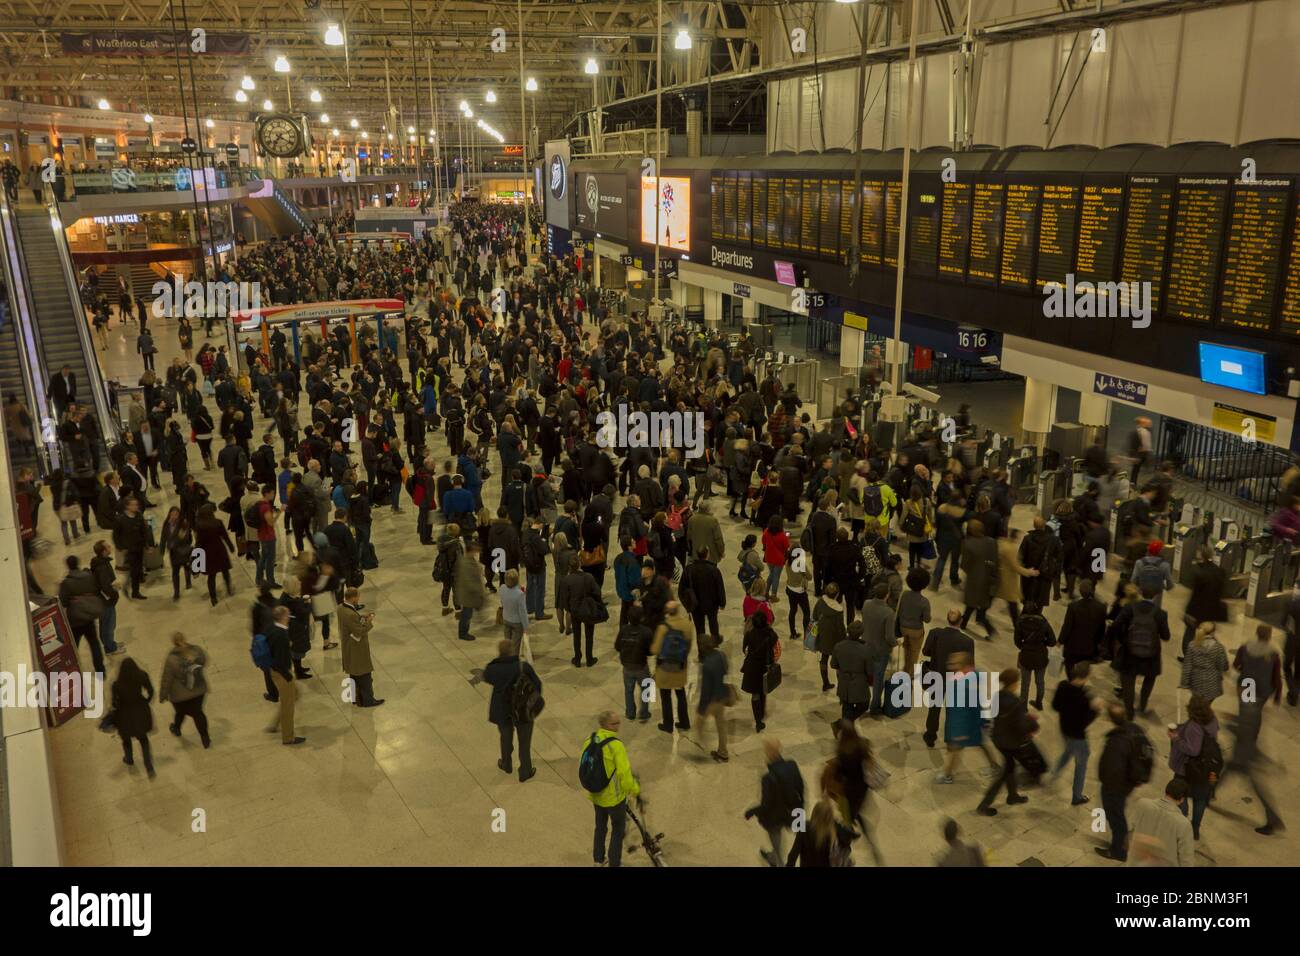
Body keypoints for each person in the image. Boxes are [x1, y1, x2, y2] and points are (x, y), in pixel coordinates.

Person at [1228, 624, 1285, 836]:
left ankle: (1247, 740)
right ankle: (1249, 737)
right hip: (1261, 691)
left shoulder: (1245, 647)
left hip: (1247, 686)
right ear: (1269, 636)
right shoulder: (1273, 654)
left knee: (1248, 712)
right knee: (1253, 714)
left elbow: (1236, 666)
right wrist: (1277, 696)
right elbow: (1277, 678)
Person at [583, 711, 640, 867]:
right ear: (604, 724)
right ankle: (614, 863)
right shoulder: (616, 745)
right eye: (613, 724)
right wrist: (635, 790)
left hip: (596, 794)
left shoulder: (590, 739)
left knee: (600, 827)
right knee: (618, 830)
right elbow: (625, 775)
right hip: (614, 798)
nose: (617, 726)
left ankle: (598, 860)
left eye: (618, 722)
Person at [976, 668, 1034, 816]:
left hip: (998, 738)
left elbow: (994, 715)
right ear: (1014, 683)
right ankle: (984, 804)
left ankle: (1013, 795)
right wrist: (1031, 724)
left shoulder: (997, 696)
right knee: (1005, 772)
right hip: (1010, 742)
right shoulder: (1016, 702)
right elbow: (1020, 727)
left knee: (1010, 766)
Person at [484, 638, 542, 782]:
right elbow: (538, 685)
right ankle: (525, 771)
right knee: (524, 742)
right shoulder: (523, 667)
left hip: (502, 711)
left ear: (500, 652)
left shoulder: (492, 669)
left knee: (505, 738)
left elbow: (486, 677)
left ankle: (506, 763)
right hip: (522, 711)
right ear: (512, 651)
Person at [1095, 703, 1147, 861]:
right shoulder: (1136, 729)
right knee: (1118, 813)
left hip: (1115, 786)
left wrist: (1106, 781)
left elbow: (1113, 768)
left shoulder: (1116, 741)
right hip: (1129, 782)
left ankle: (1118, 851)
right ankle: (1121, 844)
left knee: (1115, 816)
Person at [1110, 586, 1170, 719]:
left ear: (1141, 592)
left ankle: (1129, 712)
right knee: (1149, 679)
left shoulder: (1130, 608)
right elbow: (1166, 637)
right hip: (1151, 654)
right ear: (1155, 596)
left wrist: (1123, 639)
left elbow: (1115, 625)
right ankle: (1142, 706)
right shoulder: (1160, 613)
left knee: (1128, 680)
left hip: (1130, 652)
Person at [936, 653, 998, 783]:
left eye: (954, 663)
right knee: (980, 743)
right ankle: (995, 766)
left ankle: (947, 775)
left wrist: (959, 730)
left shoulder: (966, 683)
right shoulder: (968, 677)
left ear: (964, 666)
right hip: (972, 721)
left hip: (967, 724)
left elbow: (968, 707)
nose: (950, 665)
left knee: (956, 748)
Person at [745, 737, 805, 866]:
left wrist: (751, 811)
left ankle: (777, 861)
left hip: (775, 817)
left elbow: (766, 805)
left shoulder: (767, 778)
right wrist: (800, 812)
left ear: (769, 753)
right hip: (792, 812)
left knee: (776, 841)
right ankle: (773, 857)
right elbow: (801, 789)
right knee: (781, 841)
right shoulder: (792, 765)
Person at [1168, 696, 1220, 840]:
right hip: (1206, 767)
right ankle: (1195, 829)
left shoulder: (1194, 726)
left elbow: (1193, 750)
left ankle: (1183, 825)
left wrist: (1176, 738)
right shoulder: (1213, 720)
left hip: (1188, 769)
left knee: (1180, 795)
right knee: (1200, 799)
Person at [922, 609, 975, 749]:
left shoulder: (935, 633)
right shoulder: (967, 641)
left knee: (934, 708)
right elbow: (970, 665)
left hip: (937, 675)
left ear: (947, 619)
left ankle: (930, 736)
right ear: (961, 621)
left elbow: (925, 651)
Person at [1051, 662, 1099, 805]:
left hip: (1064, 729)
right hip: (1077, 736)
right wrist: (1095, 710)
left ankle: (1053, 774)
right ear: (1086, 676)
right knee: (1081, 764)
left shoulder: (1062, 686)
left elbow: (1055, 706)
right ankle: (1077, 796)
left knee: (1068, 750)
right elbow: (1084, 723)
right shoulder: (1084, 698)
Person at [1126, 777, 1195, 867]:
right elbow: (1186, 859)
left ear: (1166, 790)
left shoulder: (1142, 804)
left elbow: (1129, 829)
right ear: (1182, 799)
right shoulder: (1183, 824)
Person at [158, 631, 210, 748]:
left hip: (180, 695)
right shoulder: (196, 650)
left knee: (180, 712)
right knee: (198, 713)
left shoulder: (171, 659)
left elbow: (167, 679)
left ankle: (176, 728)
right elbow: (204, 662)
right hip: (198, 690)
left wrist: (163, 695)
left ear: (174, 642)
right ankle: (205, 738)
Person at [650, 600, 694, 733]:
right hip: (680, 667)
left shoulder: (663, 627)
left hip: (664, 669)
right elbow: (689, 645)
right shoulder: (687, 625)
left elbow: (655, 649)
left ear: (667, 612)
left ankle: (668, 724)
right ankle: (684, 722)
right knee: (681, 694)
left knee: (666, 697)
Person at [265, 606, 305, 745]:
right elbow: (279, 661)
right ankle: (288, 737)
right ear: (282, 617)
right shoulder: (280, 635)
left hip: (276, 672)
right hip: (282, 674)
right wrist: (288, 677)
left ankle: (275, 725)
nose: (289, 617)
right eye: (287, 615)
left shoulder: (272, 628)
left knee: (294, 695)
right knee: (288, 705)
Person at [111, 657, 156, 779]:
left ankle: (129, 758)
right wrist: (146, 701)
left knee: (126, 740)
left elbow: (115, 704)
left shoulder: (117, 685)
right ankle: (149, 765)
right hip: (140, 711)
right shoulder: (142, 676)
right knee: (143, 739)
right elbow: (151, 691)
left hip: (125, 715)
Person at [339, 587, 383, 707]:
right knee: (364, 675)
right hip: (356, 649)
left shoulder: (341, 608)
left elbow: (351, 624)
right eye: (358, 597)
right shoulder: (350, 615)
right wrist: (369, 621)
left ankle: (354, 698)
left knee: (353, 674)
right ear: (353, 598)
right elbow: (359, 631)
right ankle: (368, 700)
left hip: (348, 646)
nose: (358, 599)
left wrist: (361, 618)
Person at [785, 798, 856, 867]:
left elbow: (793, 855)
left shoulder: (804, 828)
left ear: (814, 812)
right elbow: (846, 844)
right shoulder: (833, 831)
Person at [859, 582, 896, 713]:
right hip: (880, 650)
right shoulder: (889, 612)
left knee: (864, 675)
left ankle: (861, 702)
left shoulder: (866, 603)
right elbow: (889, 637)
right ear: (887, 595)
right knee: (878, 678)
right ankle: (875, 706)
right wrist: (896, 643)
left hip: (866, 644)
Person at [559, 555, 603, 667]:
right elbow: (597, 592)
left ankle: (577, 658)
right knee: (589, 635)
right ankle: (589, 658)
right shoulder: (589, 577)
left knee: (577, 635)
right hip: (588, 609)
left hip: (575, 610)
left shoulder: (566, 580)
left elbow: (564, 599)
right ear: (580, 564)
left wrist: (569, 609)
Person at [1013, 600, 1056, 710]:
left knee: (1025, 683)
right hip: (1041, 656)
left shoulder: (1020, 621)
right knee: (1040, 681)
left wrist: (1024, 645)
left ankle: (1023, 706)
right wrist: (1043, 643)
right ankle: (1039, 703)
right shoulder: (1043, 622)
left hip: (1026, 656)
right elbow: (1052, 641)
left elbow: (1017, 641)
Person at [959, 519, 999, 638]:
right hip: (989, 580)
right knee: (979, 605)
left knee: (972, 605)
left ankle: (989, 630)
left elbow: (964, 565)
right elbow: (995, 560)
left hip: (974, 580)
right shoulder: (992, 542)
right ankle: (963, 624)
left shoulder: (968, 543)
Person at [1059, 579, 1107, 676]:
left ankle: (1072, 681)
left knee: (1069, 665)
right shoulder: (1101, 607)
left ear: (1080, 592)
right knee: (1083, 668)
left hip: (1073, 645)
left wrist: (1060, 641)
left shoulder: (1073, 606)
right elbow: (1102, 628)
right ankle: (1079, 683)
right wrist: (1098, 643)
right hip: (1089, 646)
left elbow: (1067, 627)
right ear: (1093, 590)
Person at [615, 605, 653, 722]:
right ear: (641, 618)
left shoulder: (623, 629)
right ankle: (644, 712)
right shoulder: (647, 631)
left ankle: (630, 712)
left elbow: (617, 646)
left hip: (627, 666)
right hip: (641, 666)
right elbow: (650, 651)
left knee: (628, 690)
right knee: (646, 689)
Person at [697, 634, 731, 762]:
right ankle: (723, 752)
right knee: (721, 726)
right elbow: (726, 669)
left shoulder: (707, 665)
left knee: (699, 725)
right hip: (721, 695)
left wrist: (701, 709)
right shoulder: (721, 655)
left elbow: (705, 690)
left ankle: (702, 745)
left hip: (712, 700)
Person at [831, 620, 872, 723]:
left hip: (843, 683)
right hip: (859, 684)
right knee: (864, 705)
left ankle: (844, 728)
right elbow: (870, 670)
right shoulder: (865, 650)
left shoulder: (838, 646)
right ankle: (842, 725)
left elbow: (833, 664)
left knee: (846, 708)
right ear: (860, 634)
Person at [1180, 622, 1229, 703]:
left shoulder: (1192, 645)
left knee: (1196, 704)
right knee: (1206, 706)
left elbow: (1187, 666)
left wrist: (1184, 683)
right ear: (1213, 632)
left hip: (1196, 683)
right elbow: (1224, 667)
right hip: (1212, 685)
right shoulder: (1218, 648)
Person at [812, 581, 847, 693]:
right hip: (835, 638)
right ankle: (841, 688)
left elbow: (814, 616)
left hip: (822, 635)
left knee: (824, 658)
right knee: (838, 663)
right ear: (837, 595)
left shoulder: (820, 601)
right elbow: (840, 628)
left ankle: (825, 683)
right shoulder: (838, 610)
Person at [897, 566, 931, 676]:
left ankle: (905, 667)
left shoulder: (904, 594)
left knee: (906, 649)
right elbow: (927, 619)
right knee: (914, 653)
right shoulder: (924, 602)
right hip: (916, 631)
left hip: (903, 628)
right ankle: (909, 674)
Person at [453, 540, 488, 641]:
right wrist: (479, 591)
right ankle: (463, 633)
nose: (477, 553)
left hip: (470, 595)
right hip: (467, 595)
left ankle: (464, 631)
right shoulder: (466, 563)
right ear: (470, 551)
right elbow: (469, 581)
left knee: (468, 614)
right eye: (476, 551)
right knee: (466, 615)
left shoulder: (469, 560)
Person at [498, 568, 530, 660]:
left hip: (506, 618)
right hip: (517, 622)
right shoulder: (519, 594)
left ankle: (506, 659)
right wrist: (526, 626)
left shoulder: (502, 588)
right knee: (515, 646)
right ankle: (514, 662)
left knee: (507, 643)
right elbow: (523, 612)